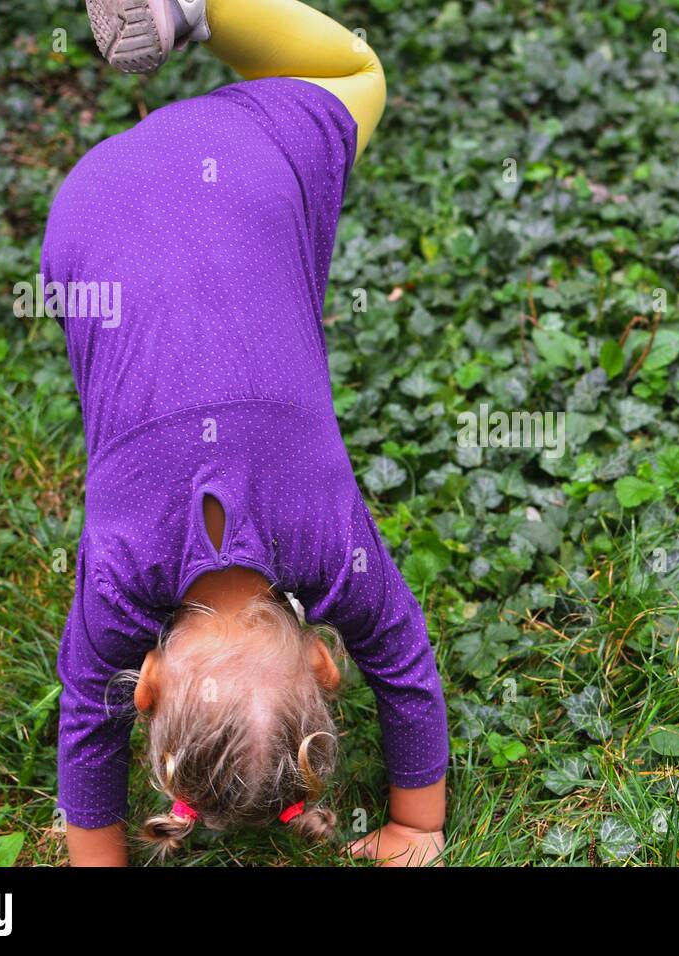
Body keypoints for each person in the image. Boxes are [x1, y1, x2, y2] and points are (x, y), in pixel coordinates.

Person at [46, 0, 448, 865]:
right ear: (146, 685)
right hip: (85, 222)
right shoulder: (116, 582)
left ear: (326, 669)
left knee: (353, 76)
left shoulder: (329, 545)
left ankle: (199, 7)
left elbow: (408, 664)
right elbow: (84, 715)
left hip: (227, 174)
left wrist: (421, 826)